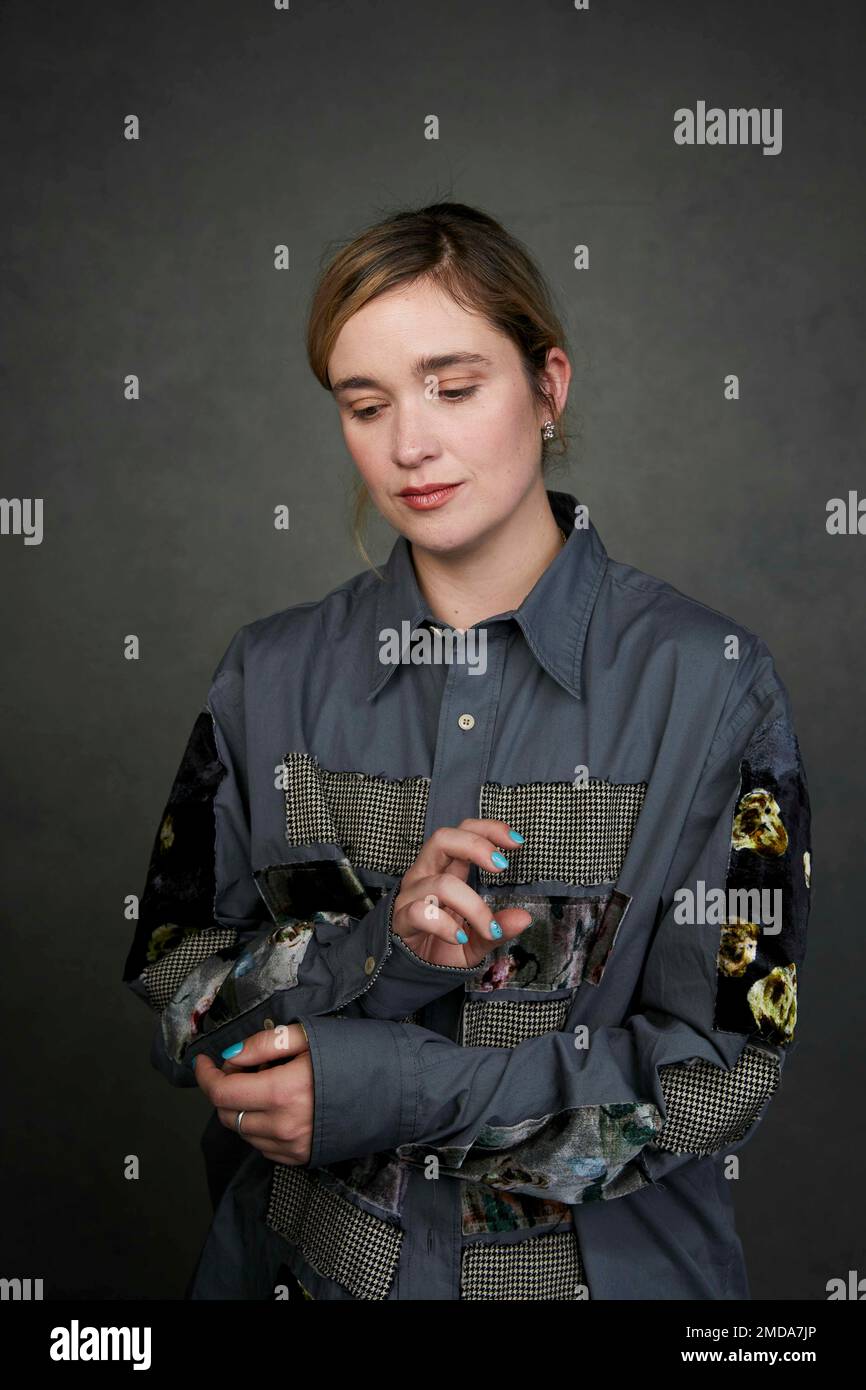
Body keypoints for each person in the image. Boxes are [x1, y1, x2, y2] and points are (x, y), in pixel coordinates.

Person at [123, 201, 812, 1301]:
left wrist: (378, 1089)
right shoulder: (267, 675)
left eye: (452, 387)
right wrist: (368, 949)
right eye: (365, 403)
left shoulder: (714, 683)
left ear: (547, 386)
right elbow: (175, 993)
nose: (407, 443)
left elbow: (718, 1080)